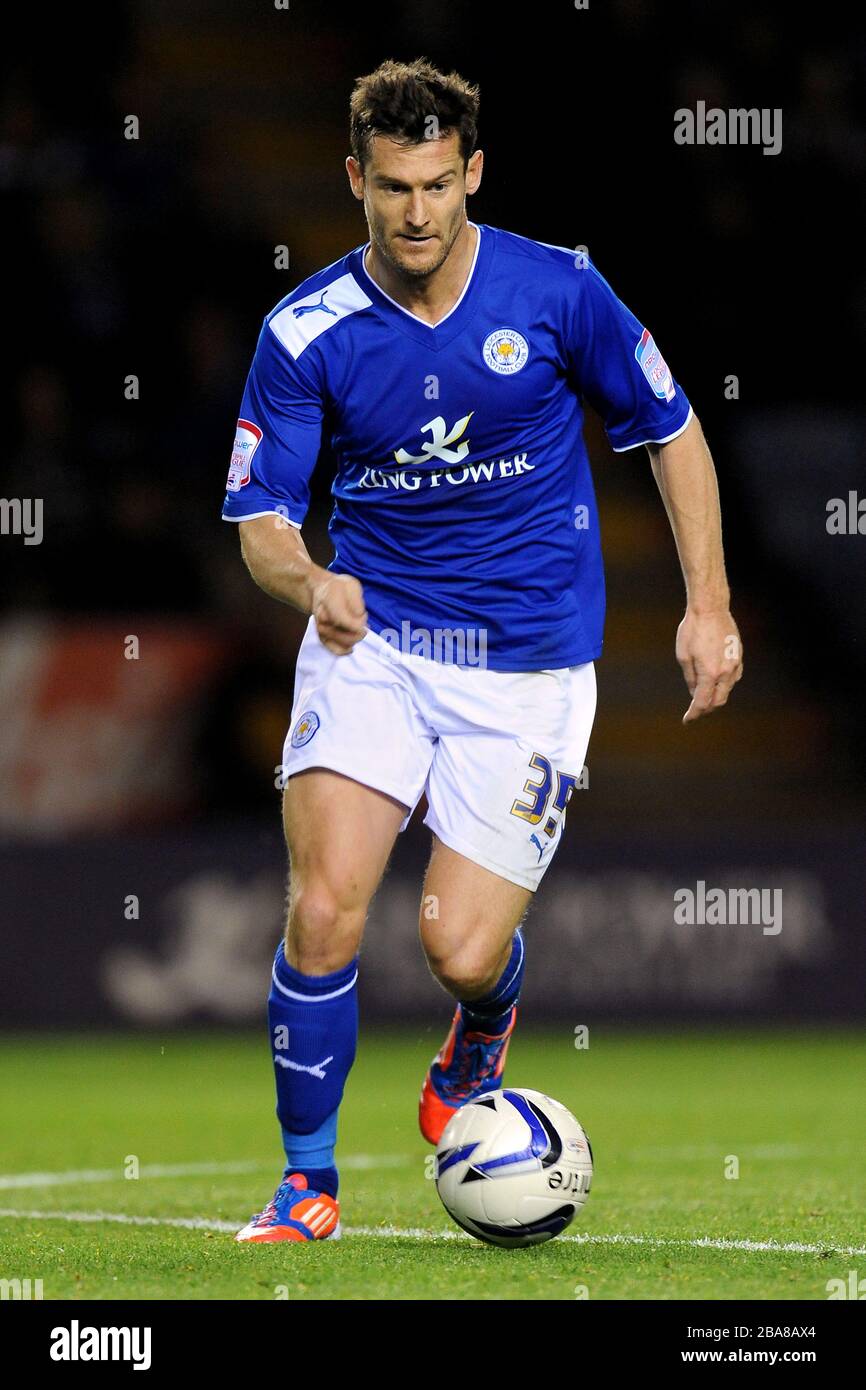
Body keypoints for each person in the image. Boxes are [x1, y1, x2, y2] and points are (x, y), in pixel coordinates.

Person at [222, 58, 743, 1242]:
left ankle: (485, 1018)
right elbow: (259, 521)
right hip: (376, 645)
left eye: (439, 184)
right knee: (324, 912)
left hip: (529, 666)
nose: (416, 213)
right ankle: (307, 1186)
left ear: (473, 176)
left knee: (457, 947)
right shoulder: (303, 333)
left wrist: (705, 603)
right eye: (393, 186)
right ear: (354, 179)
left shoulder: (557, 291)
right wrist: (312, 580)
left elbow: (669, 426)